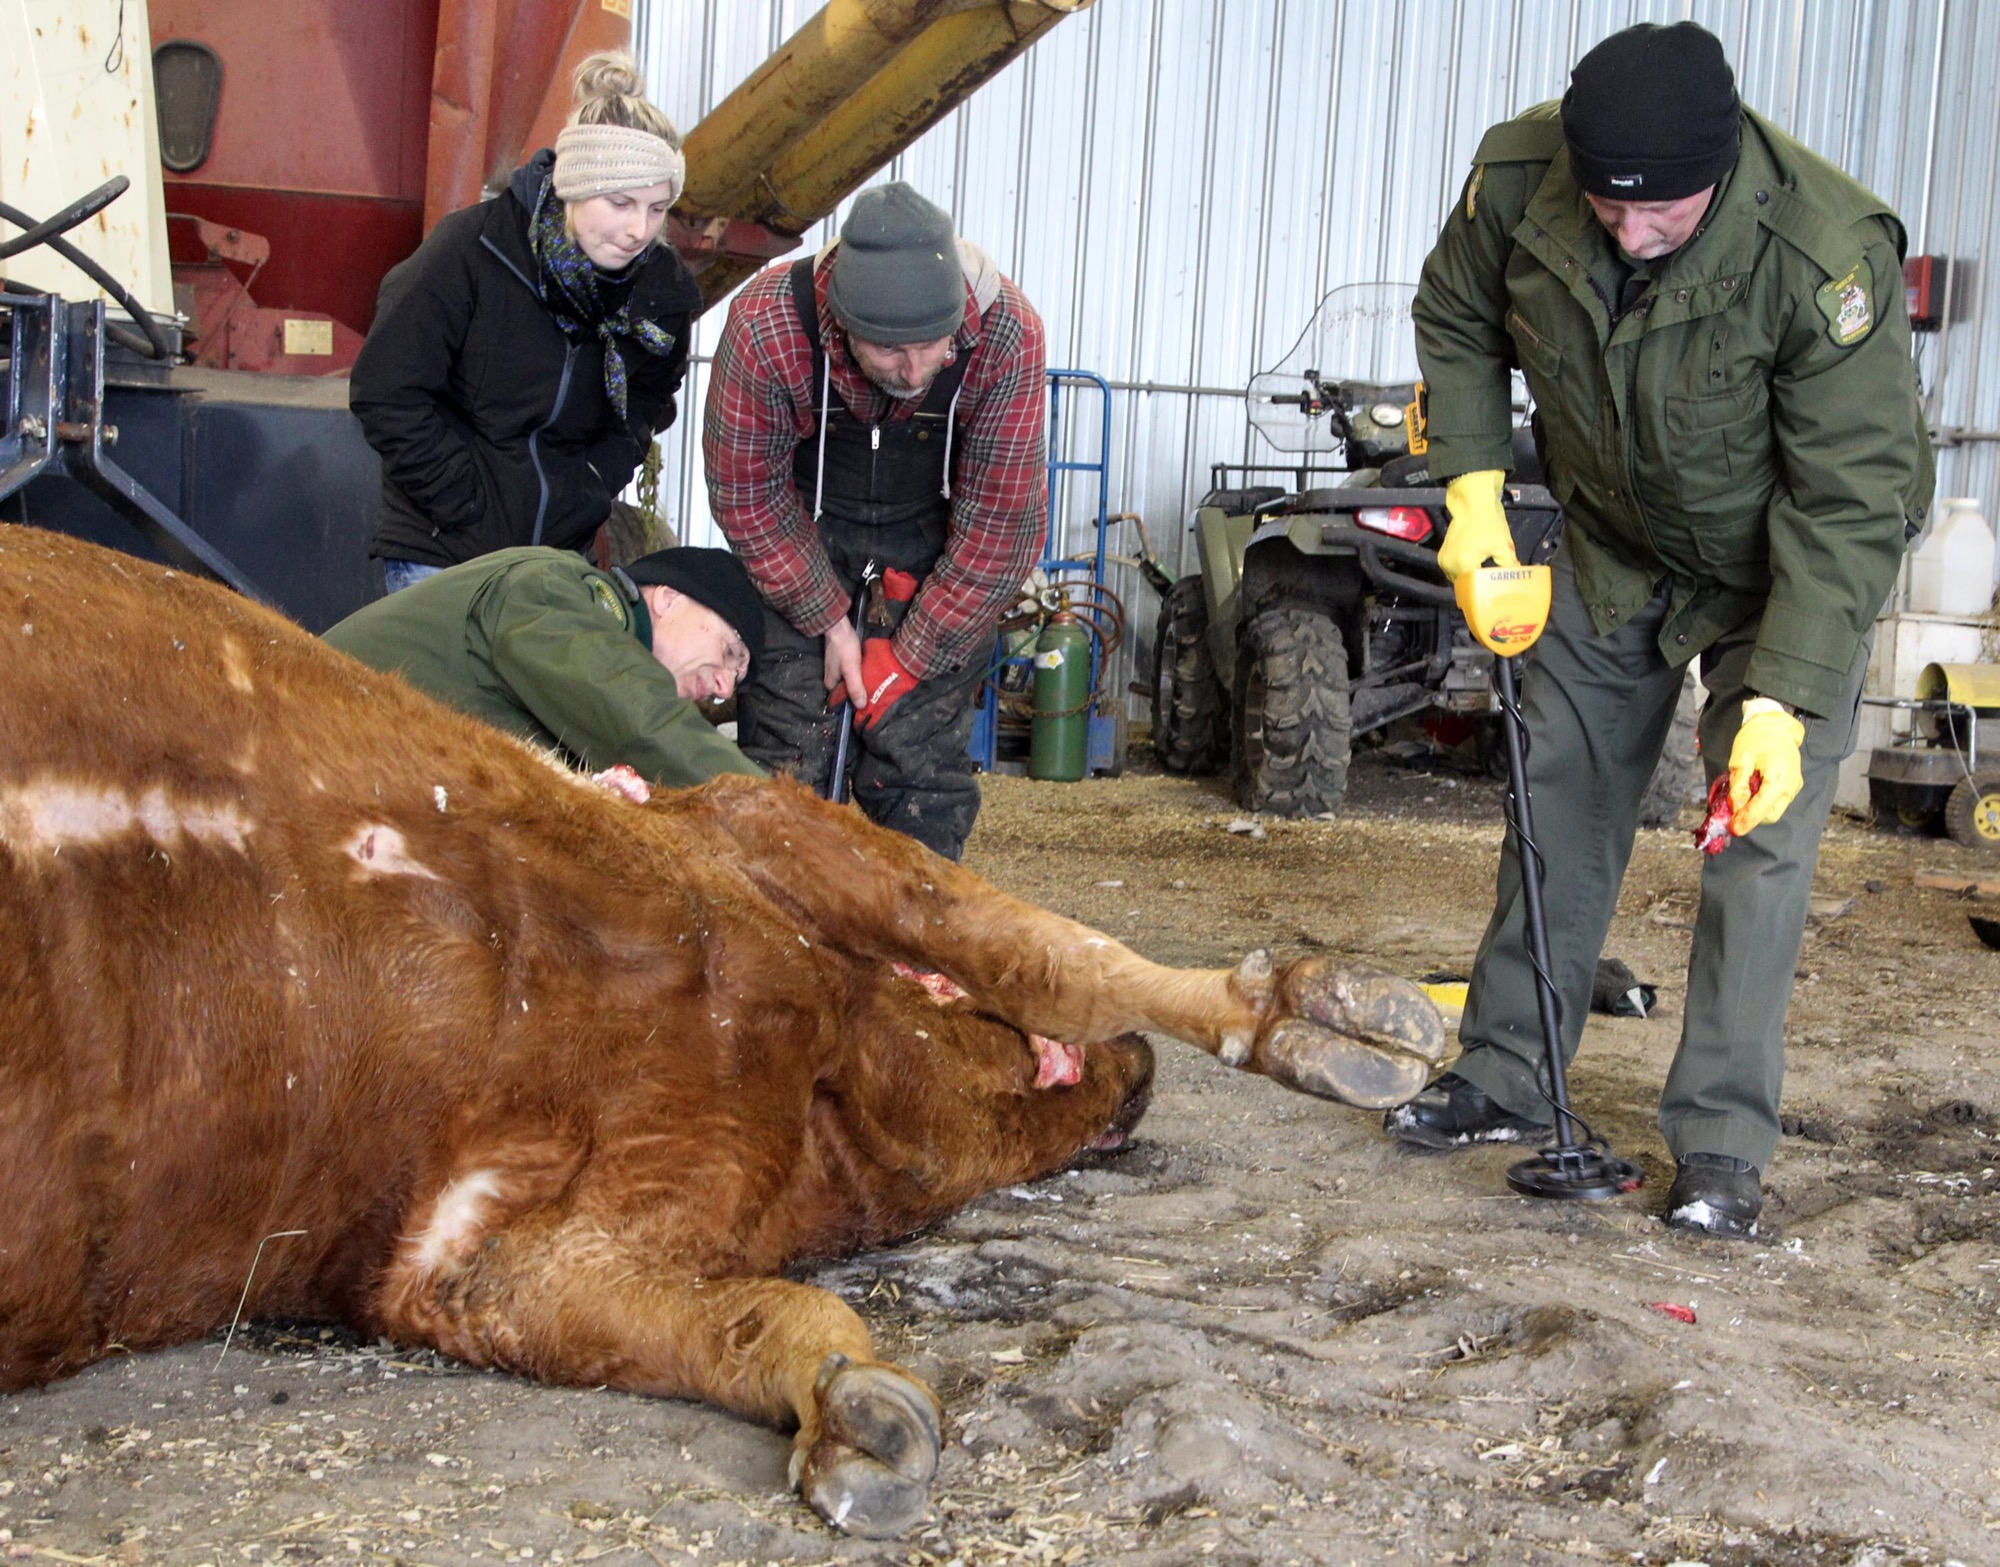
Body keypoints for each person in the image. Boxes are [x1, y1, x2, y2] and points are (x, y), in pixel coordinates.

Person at [1389, 21, 1933, 1236]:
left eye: (1661, 217)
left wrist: (1785, 701)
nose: (1628, 235)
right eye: (1608, 210)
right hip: (1616, 540)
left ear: (1721, 162)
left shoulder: (1820, 252)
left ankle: (1722, 1142)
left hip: (1781, 568)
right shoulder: (1522, 180)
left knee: (1756, 834)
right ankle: (1506, 1070)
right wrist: (1472, 492)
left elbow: (1849, 503)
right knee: (1561, 781)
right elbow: (1455, 317)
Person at [702, 181, 1048, 860]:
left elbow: (1003, 526)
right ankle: (783, 945)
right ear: (842, 321)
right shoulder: (769, 324)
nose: (915, 369)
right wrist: (829, 620)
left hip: (934, 549)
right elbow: (746, 492)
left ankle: (916, 950)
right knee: (790, 760)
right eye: (889, 349)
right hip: (799, 532)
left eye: (932, 347)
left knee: (919, 764)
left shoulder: (1006, 333)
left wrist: (911, 652)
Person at [350, 51, 702, 593]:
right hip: (444, 553)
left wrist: (594, 482)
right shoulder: (473, 249)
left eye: (657, 209)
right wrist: (463, 500)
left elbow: (650, 396)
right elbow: (386, 388)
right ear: (575, 186)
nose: (639, 229)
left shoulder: (662, 287)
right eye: (620, 202)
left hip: (556, 560)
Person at [323, 546, 765, 791]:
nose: (723, 686)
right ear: (669, 598)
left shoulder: (581, 620)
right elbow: (640, 720)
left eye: (734, 681)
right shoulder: (550, 591)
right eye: (729, 651)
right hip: (302, 751)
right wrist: (784, 817)